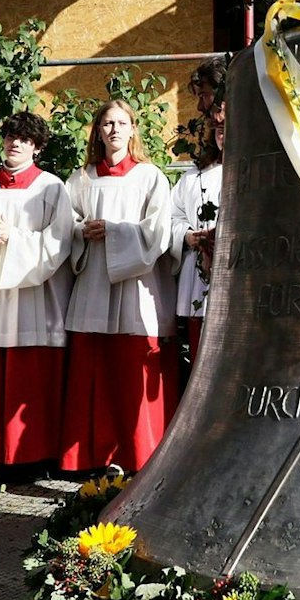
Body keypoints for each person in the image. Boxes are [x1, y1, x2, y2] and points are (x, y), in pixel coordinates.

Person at [61, 98, 177, 471]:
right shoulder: (80, 178)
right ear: (97, 130)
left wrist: (114, 232)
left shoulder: (150, 176)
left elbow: (157, 233)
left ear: (132, 129)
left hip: (135, 287)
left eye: (121, 123)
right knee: (94, 371)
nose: (113, 130)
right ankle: (93, 456)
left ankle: (139, 454)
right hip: (93, 281)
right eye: (107, 123)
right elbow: (66, 224)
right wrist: (81, 230)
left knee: (131, 372)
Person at [0, 111, 74, 472]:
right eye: (11, 136)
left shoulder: (51, 187)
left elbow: (59, 243)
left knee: (33, 377)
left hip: (36, 297)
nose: (16, 144)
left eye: (25, 139)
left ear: (37, 147)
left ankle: (34, 456)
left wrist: (12, 237)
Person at [170, 101, 225, 379]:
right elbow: (172, 217)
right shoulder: (195, 177)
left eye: (229, 128)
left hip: (235, 273)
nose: (223, 135)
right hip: (199, 278)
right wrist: (189, 236)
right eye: (218, 130)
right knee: (201, 365)